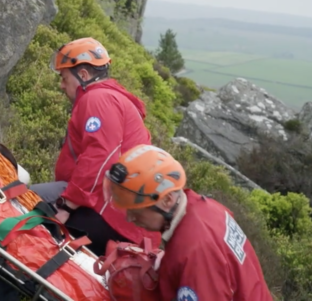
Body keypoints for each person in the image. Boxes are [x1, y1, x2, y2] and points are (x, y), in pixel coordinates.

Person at [39, 37, 159, 256]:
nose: (61, 85)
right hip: (120, 216)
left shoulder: (98, 99)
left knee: (20, 202)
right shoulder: (110, 98)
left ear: (83, 75)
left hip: (109, 213)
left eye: (64, 78)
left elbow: (102, 157)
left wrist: (66, 206)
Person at [105, 145, 273, 301]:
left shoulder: (195, 252)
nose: (130, 218)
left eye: (136, 211)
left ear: (166, 200)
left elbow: (203, 267)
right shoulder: (206, 208)